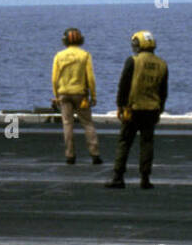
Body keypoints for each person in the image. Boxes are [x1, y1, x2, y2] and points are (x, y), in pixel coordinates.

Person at [106, 30, 168, 190]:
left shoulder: (132, 61)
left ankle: (118, 177)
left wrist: (120, 106)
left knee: (124, 142)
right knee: (147, 143)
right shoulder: (162, 64)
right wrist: (160, 110)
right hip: (152, 110)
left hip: (133, 110)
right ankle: (145, 179)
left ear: (137, 45)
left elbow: (124, 85)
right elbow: (163, 91)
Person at [51, 27, 101, 165]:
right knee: (88, 124)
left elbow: (54, 79)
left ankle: (70, 156)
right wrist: (94, 96)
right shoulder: (85, 55)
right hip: (80, 94)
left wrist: (56, 96)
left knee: (67, 124)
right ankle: (95, 154)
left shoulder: (59, 56)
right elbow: (90, 78)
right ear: (80, 40)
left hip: (63, 94)